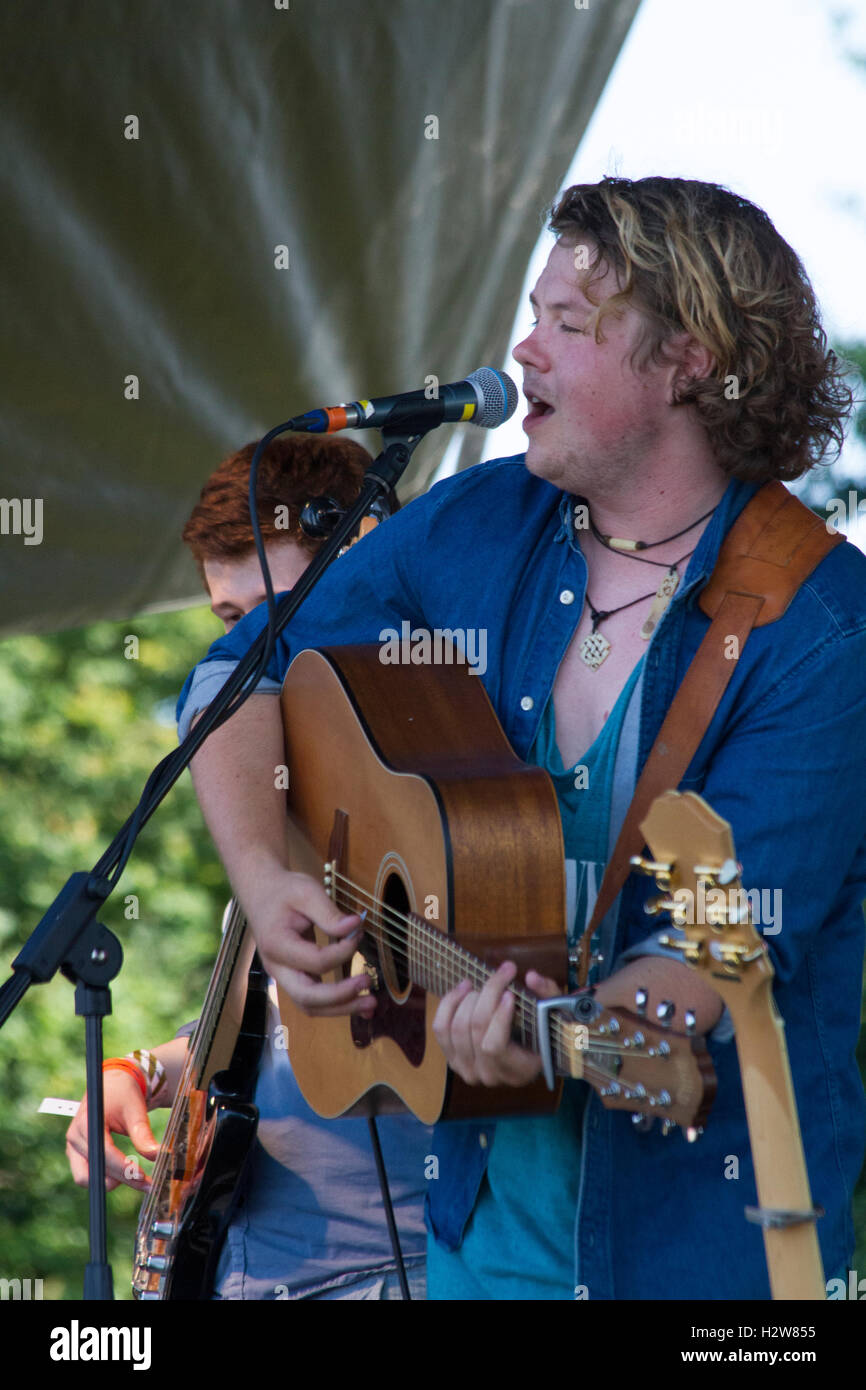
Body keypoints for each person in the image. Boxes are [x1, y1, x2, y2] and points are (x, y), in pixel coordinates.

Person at [175, 176, 866, 1300]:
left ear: (684, 358)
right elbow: (241, 670)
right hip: (476, 1246)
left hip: (712, 1267)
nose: (521, 350)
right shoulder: (474, 522)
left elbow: (713, 950)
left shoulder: (822, 627)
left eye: (564, 323)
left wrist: (555, 1039)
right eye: (531, 313)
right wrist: (264, 877)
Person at [66, 434, 431, 1300]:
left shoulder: (447, 784)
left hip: (386, 1270)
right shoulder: (281, 802)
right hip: (242, 1263)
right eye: (233, 625)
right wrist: (142, 1073)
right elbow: (268, 1025)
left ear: (367, 550)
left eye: (271, 615)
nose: (250, 653)